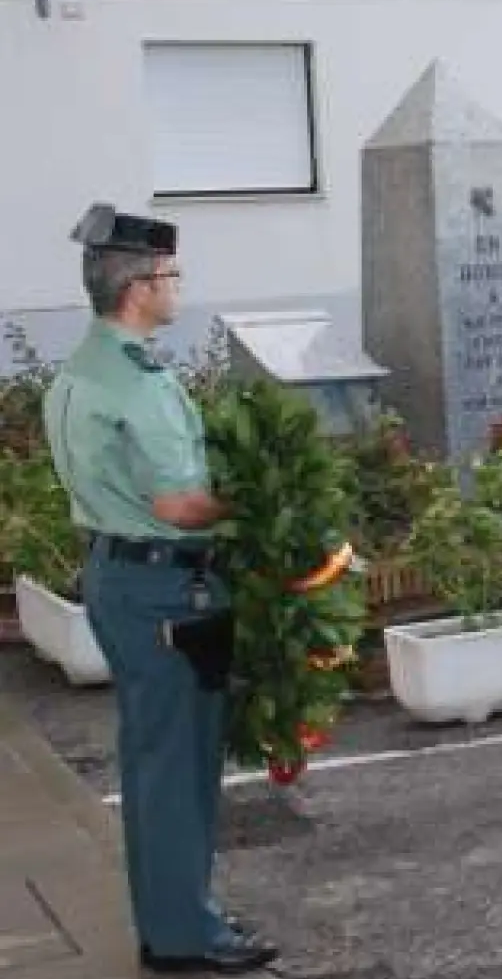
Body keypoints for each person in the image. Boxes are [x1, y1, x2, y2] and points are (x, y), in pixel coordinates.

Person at [44, 203, 278, 975]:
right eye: (172, 275)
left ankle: (170, 918)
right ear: (140, 287)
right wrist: (267, 504)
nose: (179, 287)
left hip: (115, 577)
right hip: (167, 590)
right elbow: (179, 505)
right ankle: (186, 936)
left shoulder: (78, 369)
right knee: (178, 765)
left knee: (152, 760)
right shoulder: (142, 386)